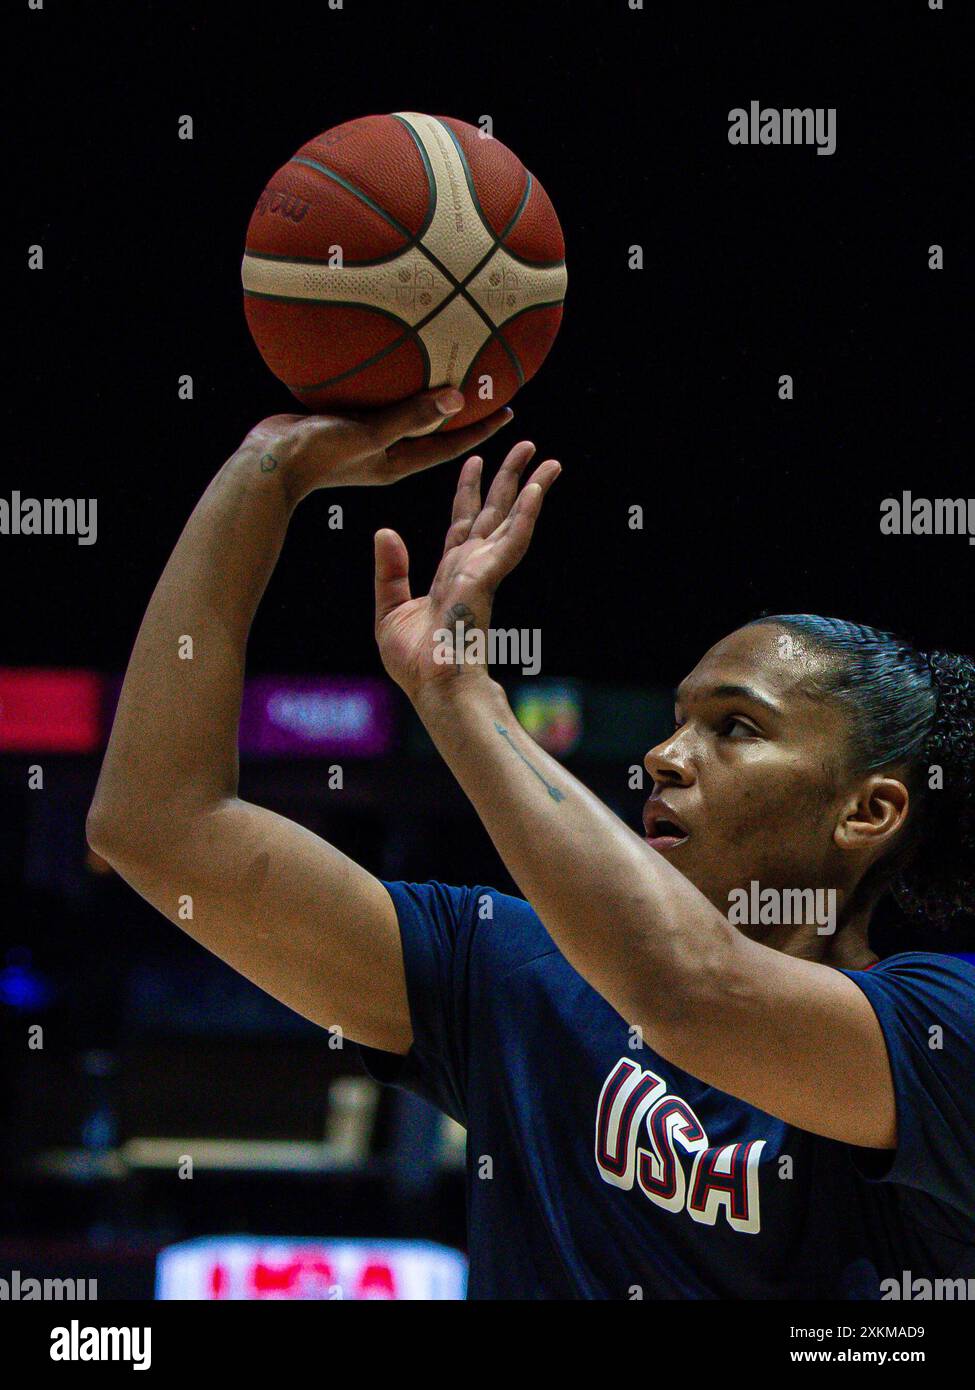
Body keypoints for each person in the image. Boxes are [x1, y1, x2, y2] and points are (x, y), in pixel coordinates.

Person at [88, 388, 975, 1299]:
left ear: (867, 813)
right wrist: (263, 477)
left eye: (736, 728)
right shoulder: (512, 971)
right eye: (675, 722)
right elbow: (159, 827)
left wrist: (457, 694)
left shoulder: (944, 1029)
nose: (663, 757)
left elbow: (686, 986)